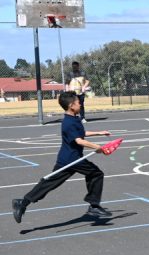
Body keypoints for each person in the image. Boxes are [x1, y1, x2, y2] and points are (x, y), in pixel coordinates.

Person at [12, 91, 113, 223]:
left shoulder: (73, 119)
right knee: (96, 174)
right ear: (71, 105)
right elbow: (79, 141)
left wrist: (99, 133)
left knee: (50, 183)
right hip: (73, 159)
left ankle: (22, 203)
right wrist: (98, 147)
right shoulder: (68, 122)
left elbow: (81, 133)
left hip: (67, 159)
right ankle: (94, 205)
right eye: (78, 103)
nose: (80, 105)